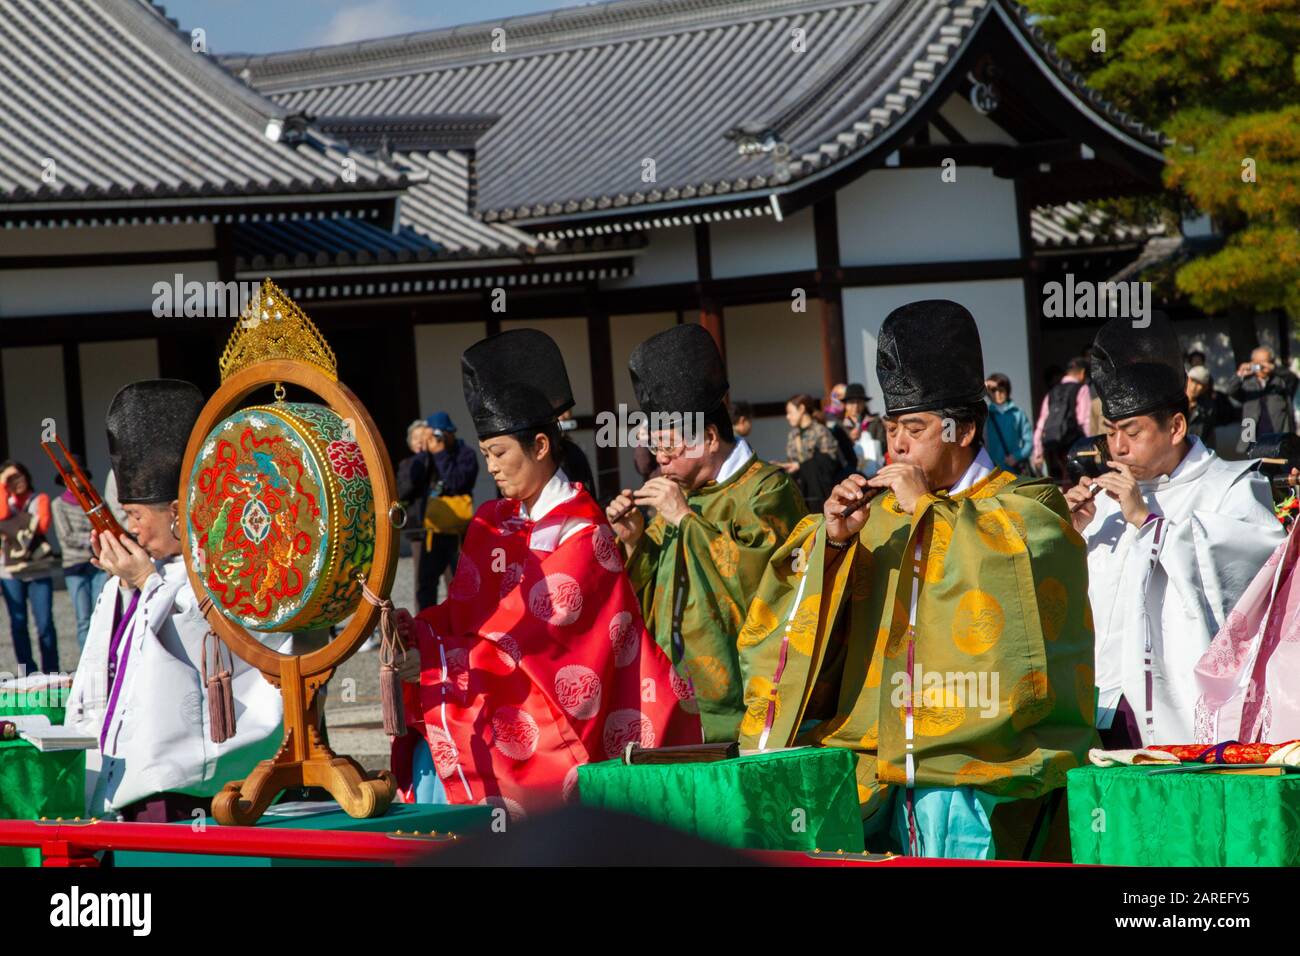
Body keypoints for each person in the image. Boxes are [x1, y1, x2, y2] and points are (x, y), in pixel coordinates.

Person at [736, 299, 1094, 860]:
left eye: (915, 428)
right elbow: (807, 630)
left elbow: (1019, 590)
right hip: (869, 758)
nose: (897, 444)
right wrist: (833, 543)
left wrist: (932, 510)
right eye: (891, 427)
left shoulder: (1028, 504)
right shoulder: (879, 513)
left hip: (974, 769)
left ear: (965, 427)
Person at [391, 329, 699, 816]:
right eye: (486, 453)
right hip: (489, 687)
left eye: (499, 453)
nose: (490, 468)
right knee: (440, 738)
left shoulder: (586, 534)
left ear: (539, 445)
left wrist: (440, 661)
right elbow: (465, 611)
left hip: (560, 716)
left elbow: (540, 640)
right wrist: (417, 633)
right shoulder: (492, 523)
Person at [65, 380, 284, 821]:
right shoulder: (144, 570)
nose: (133, 532)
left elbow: (209, 643)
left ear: (179, 511)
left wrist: (146, 581)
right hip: (130, 779)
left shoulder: (238, 560)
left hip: (200, 786)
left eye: (136, 516)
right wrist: (131, 584)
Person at [1064, 315, 1285, 748]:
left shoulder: (1233, 487)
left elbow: (1255, 589)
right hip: (1096, 701)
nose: (1118, 448)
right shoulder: (1105, 499)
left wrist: (1149, 524)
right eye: (1110, 434)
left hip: (1183, 713)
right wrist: (1071, 536)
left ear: (1176, 427)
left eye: (1132, 432)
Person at [606, 324, 806, 742]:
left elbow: (770, 587)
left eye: (669, 448)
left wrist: (686, 521)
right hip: (669, 699)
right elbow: (649, 598)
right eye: (656, 449)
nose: (660, 461)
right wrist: (634, 539)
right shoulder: (680, 496)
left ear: (710, 437)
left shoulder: (767, 488)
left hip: (743, 703)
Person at [0, 460, 59, 674]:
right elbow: (2, 516)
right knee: (18, 626)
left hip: (37, 568)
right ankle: (27, 672)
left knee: (44, 624)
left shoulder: (39, 499)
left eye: (18, 475)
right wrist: (2, 488)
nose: (16, 481)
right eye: (9, 478)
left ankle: (51, 672)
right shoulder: (4, 502)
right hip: (9, 571)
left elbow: (42, 526)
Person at [418, 411, 478, 610]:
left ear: (449, 433)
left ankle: (459, 626)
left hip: (458, 532)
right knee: (426, 584)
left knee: (459, 582)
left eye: (438, 435)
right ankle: (424, 624)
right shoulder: (428, 455)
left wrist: (441, 454)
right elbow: (412, 485)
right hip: (432, 531)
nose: (435, 440)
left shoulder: (466, 454)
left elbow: (456, 482)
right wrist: (423, 453)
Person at [50, 454, 108, 649]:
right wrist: (92, 538)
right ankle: (86, 662)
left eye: (77, 474)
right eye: (70, 475)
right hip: (74, 565)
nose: (75, 479)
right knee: (83, 618)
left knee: (100, 615)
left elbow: (105, 524)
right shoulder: (58, 505)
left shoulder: (95, 500)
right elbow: (66, 536)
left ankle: (104, 657)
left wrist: (95, 536)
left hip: (98, 563)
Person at [780, 393, 844, 513]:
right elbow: (792, 461)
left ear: (802, 409)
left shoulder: (820, 431)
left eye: (790, 412)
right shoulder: (793, 435)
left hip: (821, 494)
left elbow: (829, 461)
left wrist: (800, 466)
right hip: (802, 492)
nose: (788, 417)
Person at [1032, 357, 1091, 480]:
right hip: (1076, 444)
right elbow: (1084, 421)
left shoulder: (1052, 392)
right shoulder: (1082, 389)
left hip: (1056, 445)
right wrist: (1090, 446)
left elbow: (1041, 425)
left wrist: (1038, 452)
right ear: (1082, 373)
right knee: (1080, 481)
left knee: (1066, 478)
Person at [1227, 346, 1297, 449]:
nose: (1260, 366)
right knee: (1255, 464)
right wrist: (1240, 375)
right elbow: (1230, 391)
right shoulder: (1246, 383)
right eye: (1257, 363)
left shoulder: (1280, 382)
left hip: (1278, 435)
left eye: (1264, 362)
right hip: (1251, 437)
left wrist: (1274, 369)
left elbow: (1292, 379)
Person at [396, 419, 433, 609]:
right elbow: (403, 490)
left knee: (454, 576)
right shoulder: (407, 464)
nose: (420, 442)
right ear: (410, 442)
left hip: (443, 526)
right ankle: (423, 620)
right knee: (422, 577)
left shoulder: (439, 460)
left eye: (424, 437)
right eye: (416, 438)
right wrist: (420, 463)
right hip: (418, 525)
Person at [984, 373, 1034, 474]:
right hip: (992, 469)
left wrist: (1017, 456)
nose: (997, 393)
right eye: (993, 390)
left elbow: (1029, 442)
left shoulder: (1018, 413)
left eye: (1001, 389)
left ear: (1007, 390)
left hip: (1014, 469)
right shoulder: (985, 414)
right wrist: (984, 386)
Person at [1185, 366, 1234, 452]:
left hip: (1194, 452)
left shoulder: (1208, 408)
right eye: (1192, 380)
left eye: (1199, 383)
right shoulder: (1174, 402)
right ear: (1187, 380)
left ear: (1205, 388)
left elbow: (1209, 435)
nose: (1194, 386)